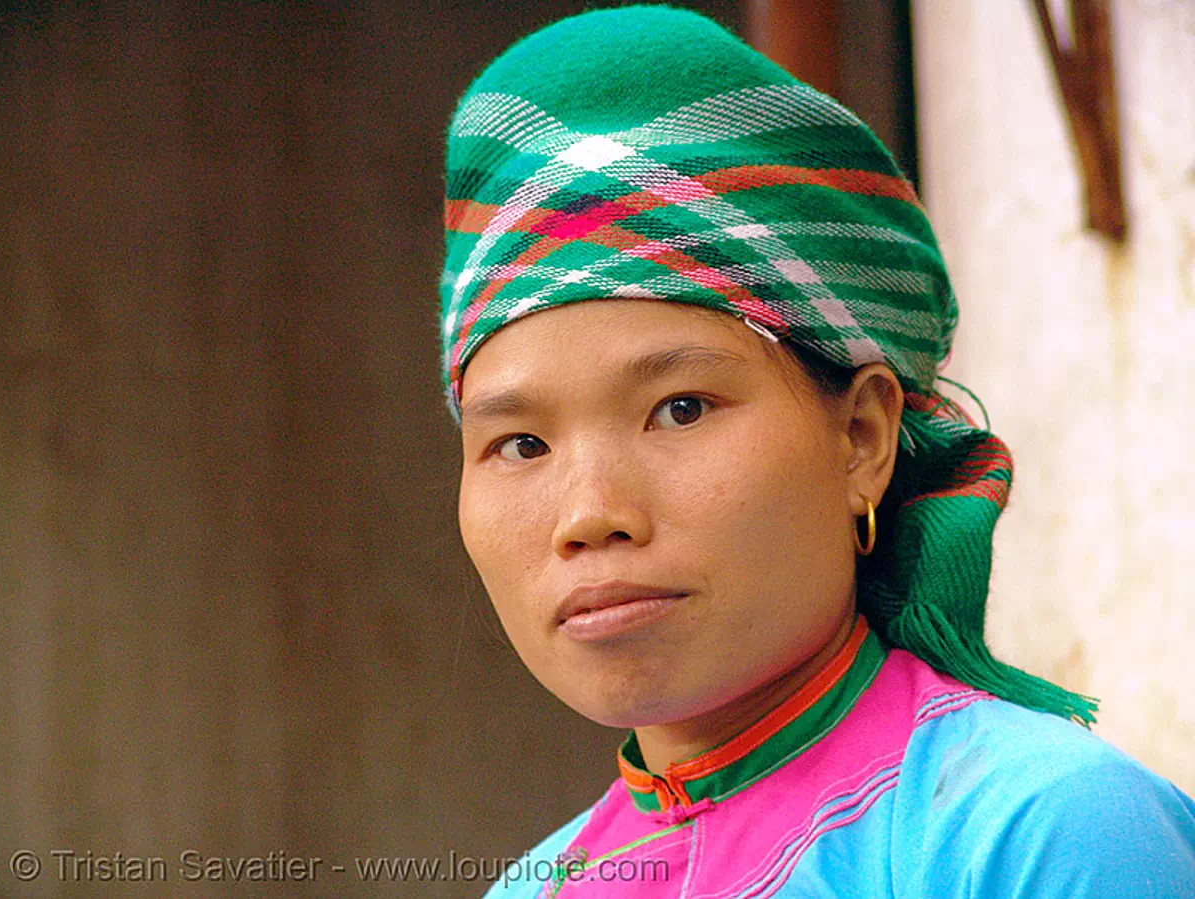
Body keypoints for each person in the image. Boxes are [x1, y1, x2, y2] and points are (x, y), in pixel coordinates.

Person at [436, 6, 1195, 897]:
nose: (590, 512)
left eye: (681, 408)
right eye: (521, 443)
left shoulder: (1038, 830)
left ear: (861, 436)